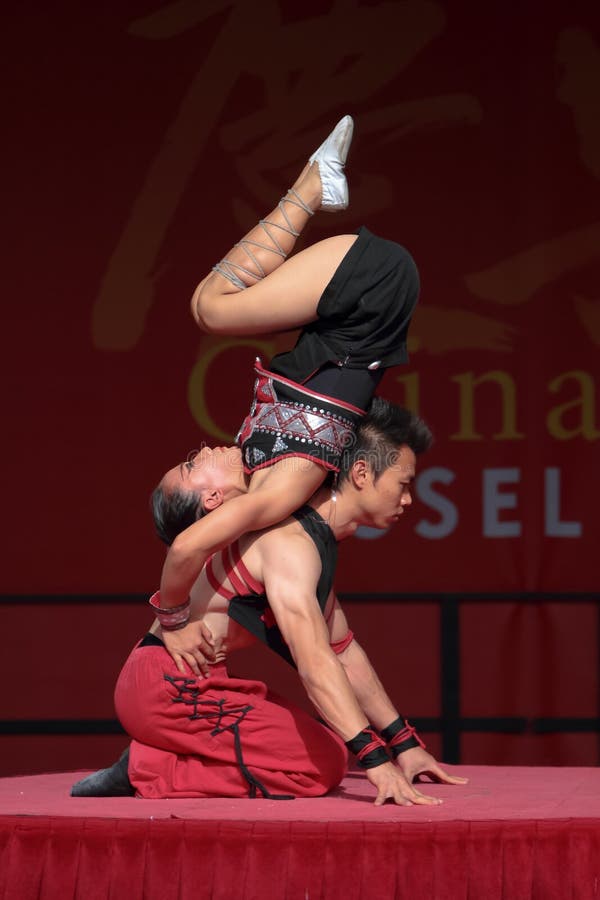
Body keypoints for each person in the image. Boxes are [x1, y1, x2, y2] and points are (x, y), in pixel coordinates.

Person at [72, 399, 467, 806]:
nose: (408, 500)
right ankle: (146, 767)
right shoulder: (288, 542)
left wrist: (404, 746)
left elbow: (343, 654)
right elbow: (314, 663)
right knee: (324, 765)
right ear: (362, 473)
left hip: (190, 681)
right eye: (403, 484)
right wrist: (376, 762)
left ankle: (161, 758)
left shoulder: (306, 537)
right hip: (162, 688)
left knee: (329, 748)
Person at [151, 116, 421, 674]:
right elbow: (184, 551)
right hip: (367, 304)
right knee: (213, 308)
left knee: (208, 304)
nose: (200, 448)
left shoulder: (261, 465)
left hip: (347, 320)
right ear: (211, 506)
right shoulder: (271, 497)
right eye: (189, 465)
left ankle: (316, 186)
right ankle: (313, 186)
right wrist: (174, 620)